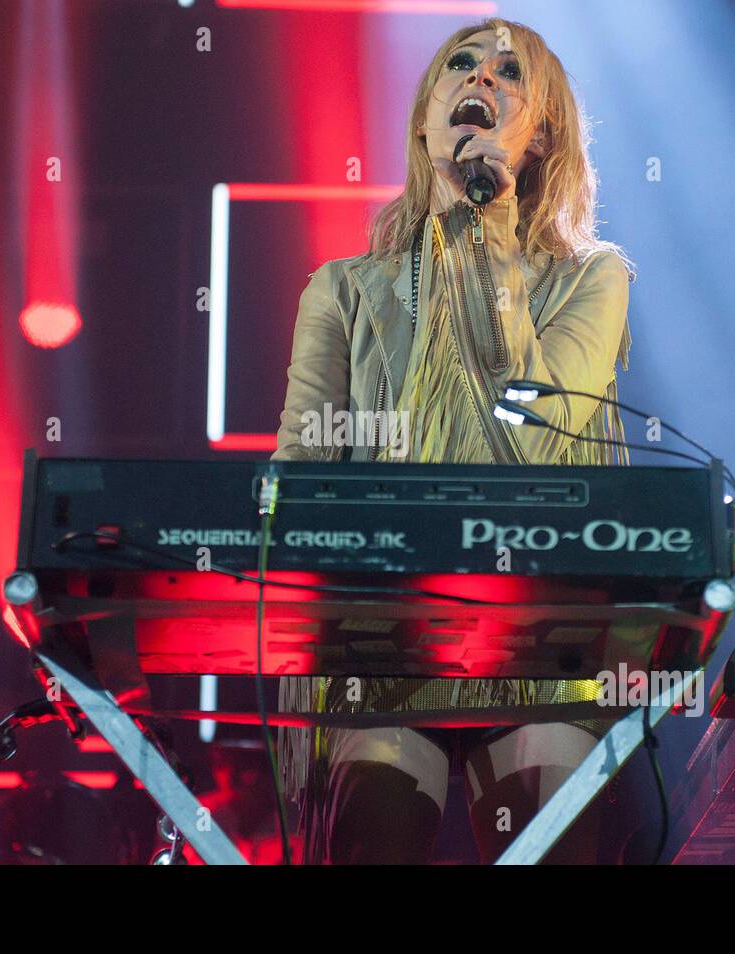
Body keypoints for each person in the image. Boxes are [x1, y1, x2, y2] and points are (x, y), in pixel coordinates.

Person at [271, 17, 632, 864]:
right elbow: (297, 483)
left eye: (511, 73)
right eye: (461, 66)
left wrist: (492, 225)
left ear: (539, 135)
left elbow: (532, 440)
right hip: (382, 632)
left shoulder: (593, 277)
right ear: (426, 118)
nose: (483, 78)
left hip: (545, 635)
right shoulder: (342, 291)